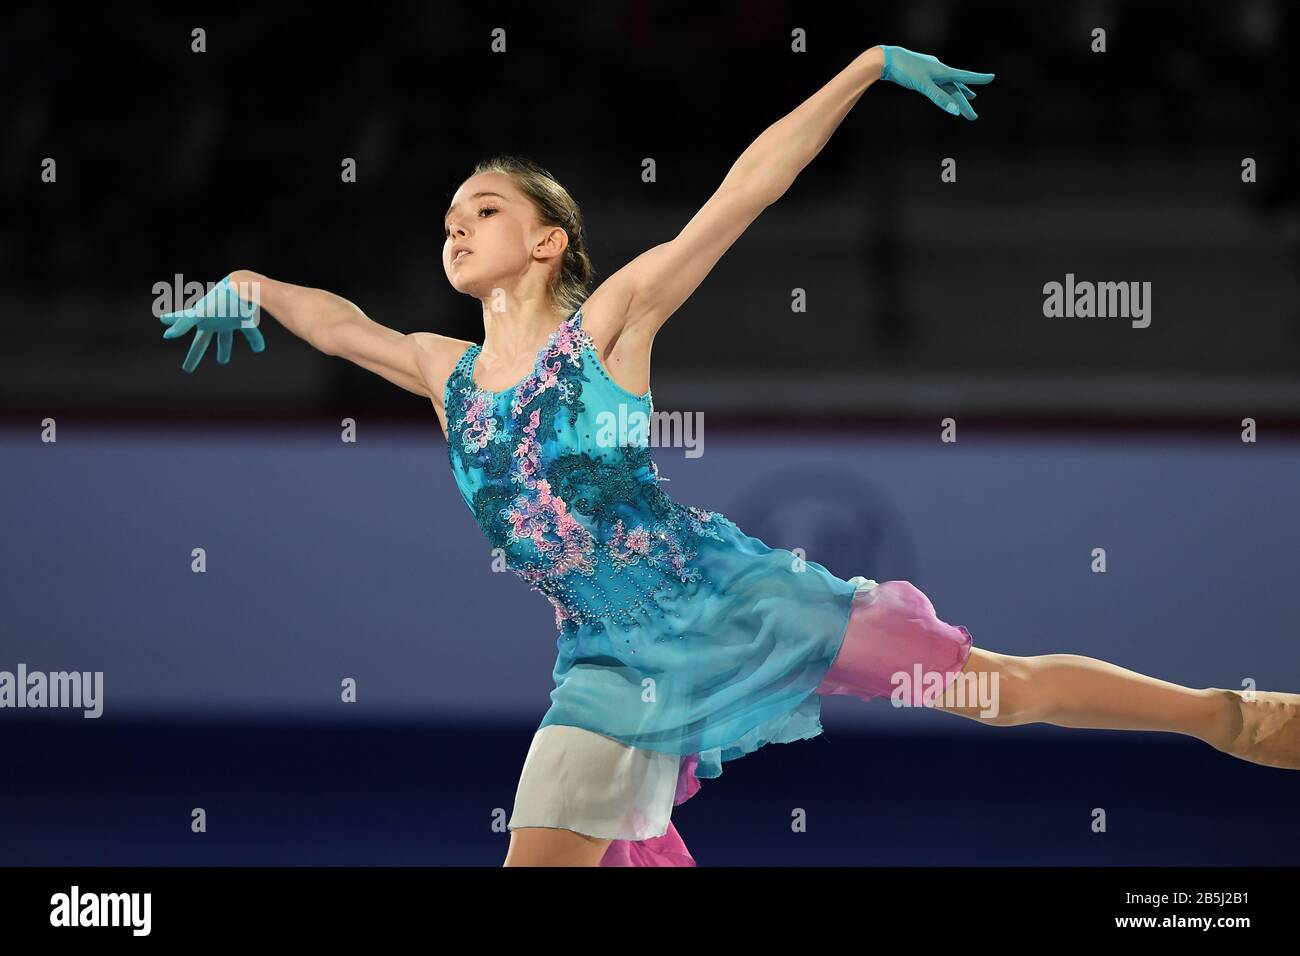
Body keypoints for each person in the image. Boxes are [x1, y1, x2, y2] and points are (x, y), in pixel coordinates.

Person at [159, 45, 1300, 867]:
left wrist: (858, 70)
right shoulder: (441, 369)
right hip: (604, 659)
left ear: (548, 238)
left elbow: (742, 192)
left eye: (485, 206)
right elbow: (334, 320)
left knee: (988, 689)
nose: (455, 223)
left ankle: (1227, 715)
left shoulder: (608, 321)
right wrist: (251, 285)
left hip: (733, 601)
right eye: (447, 213)